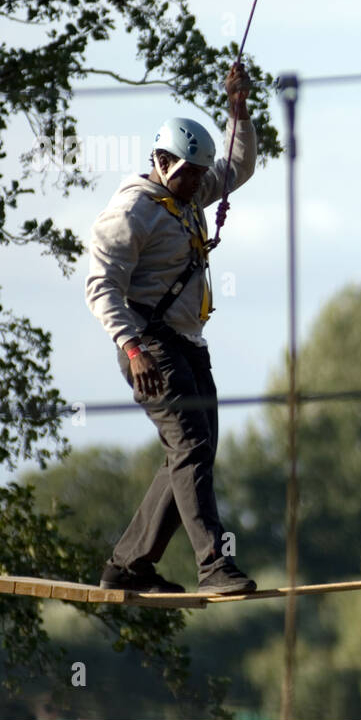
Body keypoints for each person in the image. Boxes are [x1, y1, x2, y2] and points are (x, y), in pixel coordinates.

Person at [84, 62, 258, 595]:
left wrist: (238, 110)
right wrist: (132, 348)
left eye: (200, 176)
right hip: (147, 342)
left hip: (188, 344)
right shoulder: (132, 211)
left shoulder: (189, 193)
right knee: (189, 444)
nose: (198, 183)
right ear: (161, 162)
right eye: (188, 174)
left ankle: (129, 566)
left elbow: (239, 166)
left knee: (196, 448)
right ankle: (213, 563)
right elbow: (100, 286)